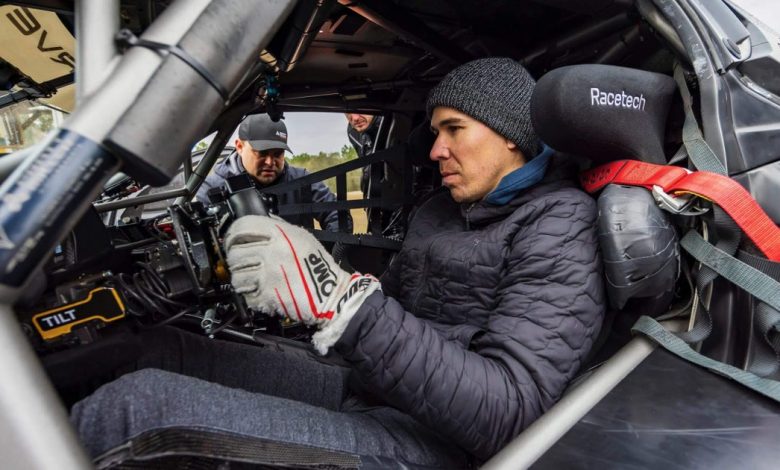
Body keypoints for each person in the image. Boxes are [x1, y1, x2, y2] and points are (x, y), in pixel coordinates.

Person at [71, 58, 604, 467]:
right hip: (368, 385)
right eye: (435, 132)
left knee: (133, 411)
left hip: (438, 442)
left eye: (454, 129)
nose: (435, 150)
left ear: (509, 133)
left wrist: (341, 301)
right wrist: (310, 293)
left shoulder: (560, 222)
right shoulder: (439, 212)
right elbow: (388, 306)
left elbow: (509, 411)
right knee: (153, 352)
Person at [196, 113, 352, 233]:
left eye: (278, 154)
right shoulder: (211, 188)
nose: (270, 162)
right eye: (262, 153)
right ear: (239, 146)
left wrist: (328, 254)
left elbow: (337, 215)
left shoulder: (301, 180)